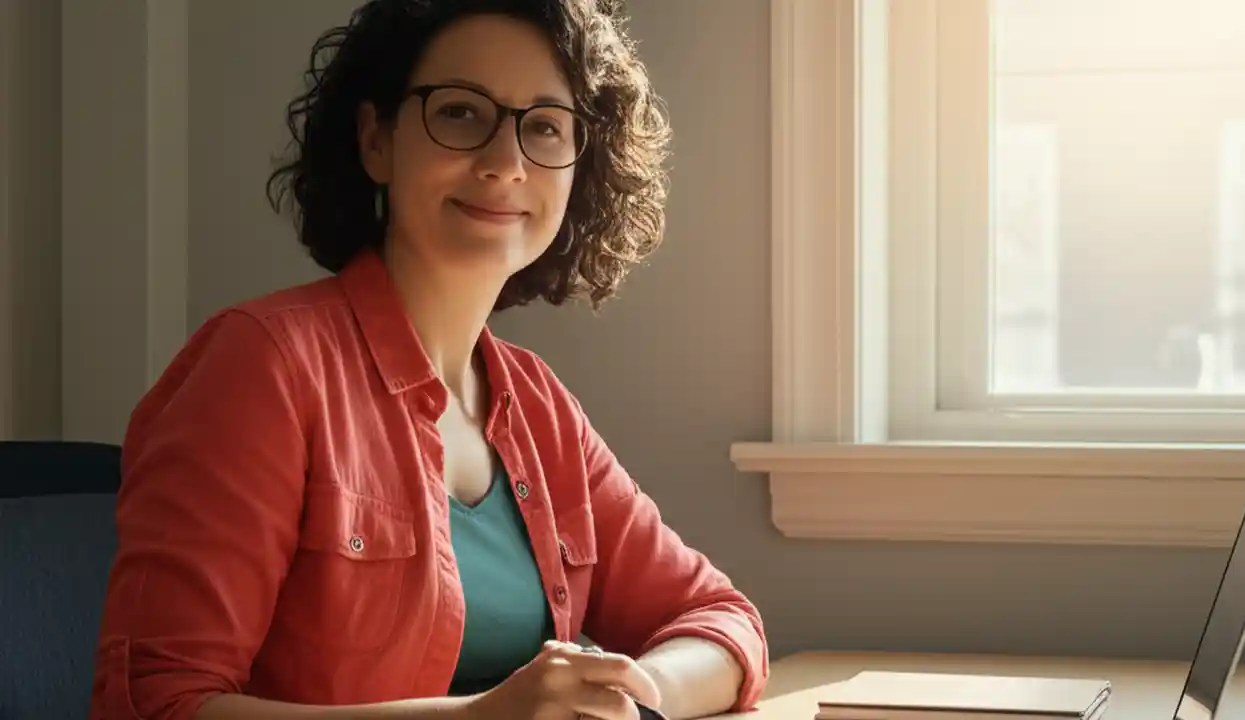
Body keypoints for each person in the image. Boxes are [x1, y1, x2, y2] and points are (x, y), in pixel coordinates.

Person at [89, 1, 768, 719]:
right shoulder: (264, 367)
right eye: (460, 113)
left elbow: (722, 621)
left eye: (543, 125)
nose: (506, 163)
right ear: (375, 140)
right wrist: (483, 719)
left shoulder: (540, 408)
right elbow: (154, 706)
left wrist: (631, 694)